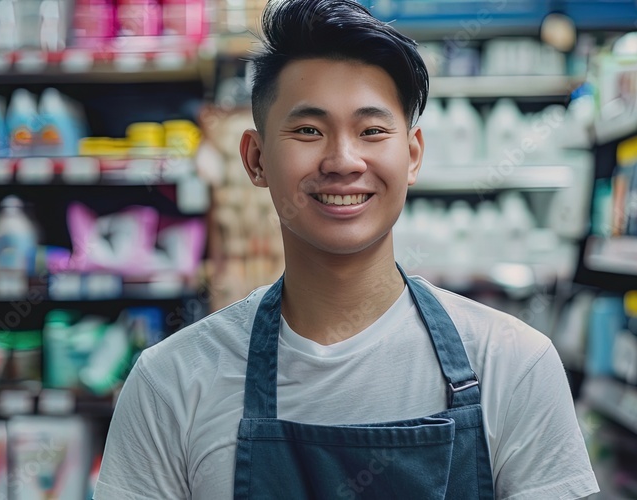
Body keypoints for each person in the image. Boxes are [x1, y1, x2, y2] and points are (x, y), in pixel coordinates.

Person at [96, 0, 600, 498]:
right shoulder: (170, 383)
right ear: (256, 158)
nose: (342, 160)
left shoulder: (514, 365)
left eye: (372, 131)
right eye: (308, 130)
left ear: (412, 156)